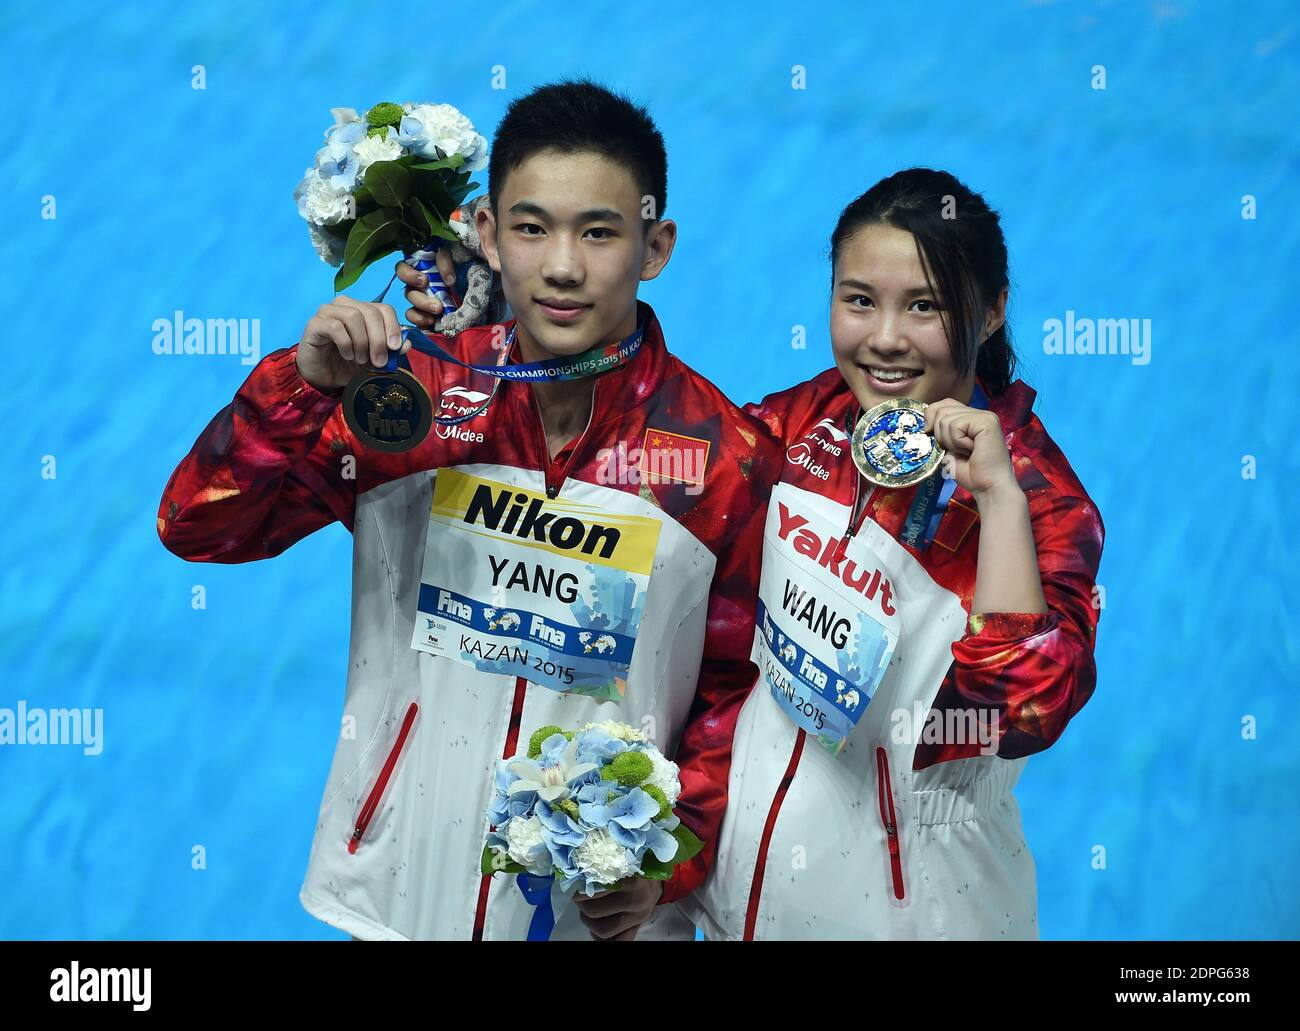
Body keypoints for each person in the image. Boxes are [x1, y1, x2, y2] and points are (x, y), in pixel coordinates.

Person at [156, 79, 779, 941]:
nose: (562, 266)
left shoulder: (724, 458)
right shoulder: (410, 399)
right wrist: (298, 388)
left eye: (599, 232)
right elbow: (200, 526)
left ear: (655, 245)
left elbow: (737, 701)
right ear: (486, 231)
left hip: (598, 920)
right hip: (397, 894)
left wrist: (671, 859)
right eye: (531, 228)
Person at [676, 168, 1106, 940]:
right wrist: (497, 340)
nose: (884, 339)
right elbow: (669, 463)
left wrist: (998, 501)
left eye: (925, 306)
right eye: (859, 300)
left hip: (925, 910)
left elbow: (1023, 710)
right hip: (745, 898)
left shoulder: (1044, 503)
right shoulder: (810, 417)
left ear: (993, 310)